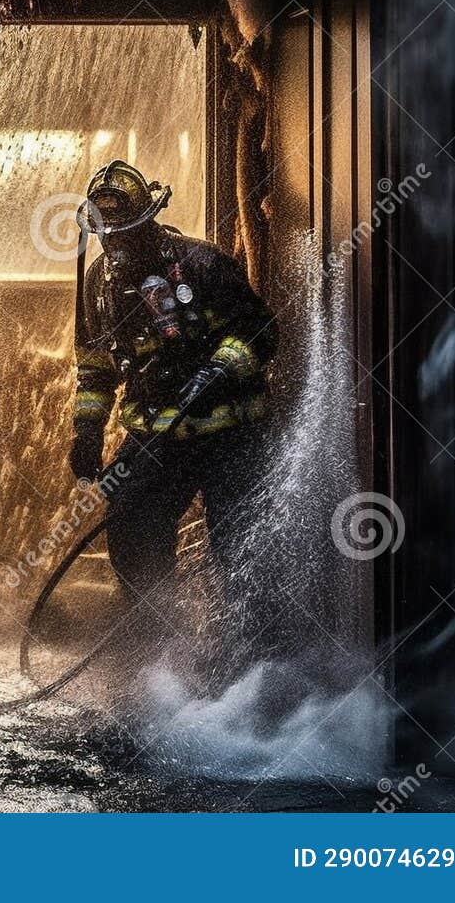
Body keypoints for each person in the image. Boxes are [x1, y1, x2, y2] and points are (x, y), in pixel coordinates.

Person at [69, 160, 279, 653]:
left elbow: (261, 331)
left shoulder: (203, 265)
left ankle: (249, 658)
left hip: (231, 435)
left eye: (125, 234)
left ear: (149, 222)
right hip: (157, 438)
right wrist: (87, 431)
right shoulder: (99, 283)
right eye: (107, 236)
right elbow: (96, 366)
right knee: (131, 528)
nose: (116, 247)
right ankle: (158, 649)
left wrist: (220, 368)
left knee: (242, 546)